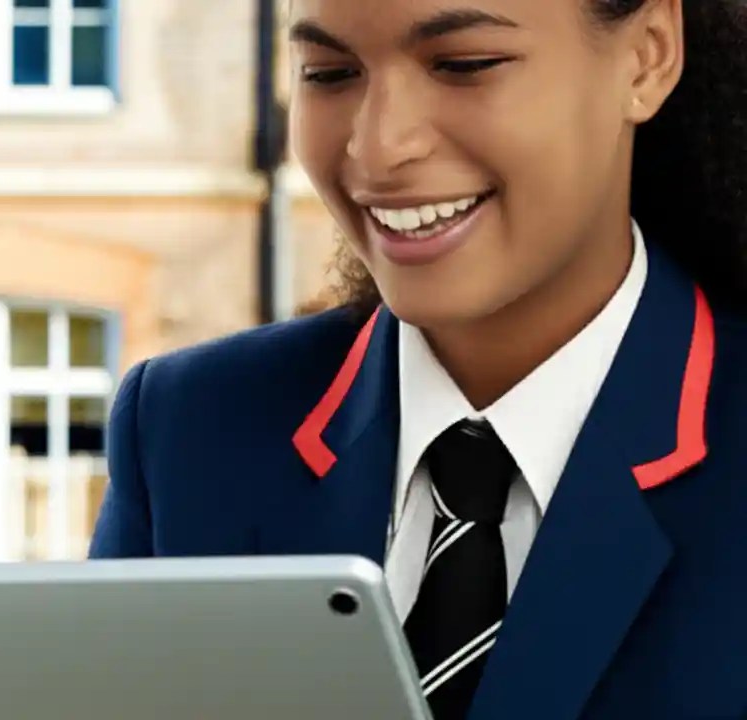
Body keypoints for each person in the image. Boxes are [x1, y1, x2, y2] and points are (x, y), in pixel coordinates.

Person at [89, 1, 747, 718]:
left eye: (465, 65)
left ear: (647, 56)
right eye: (329, 73)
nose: (378, 148)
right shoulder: (191, 429)